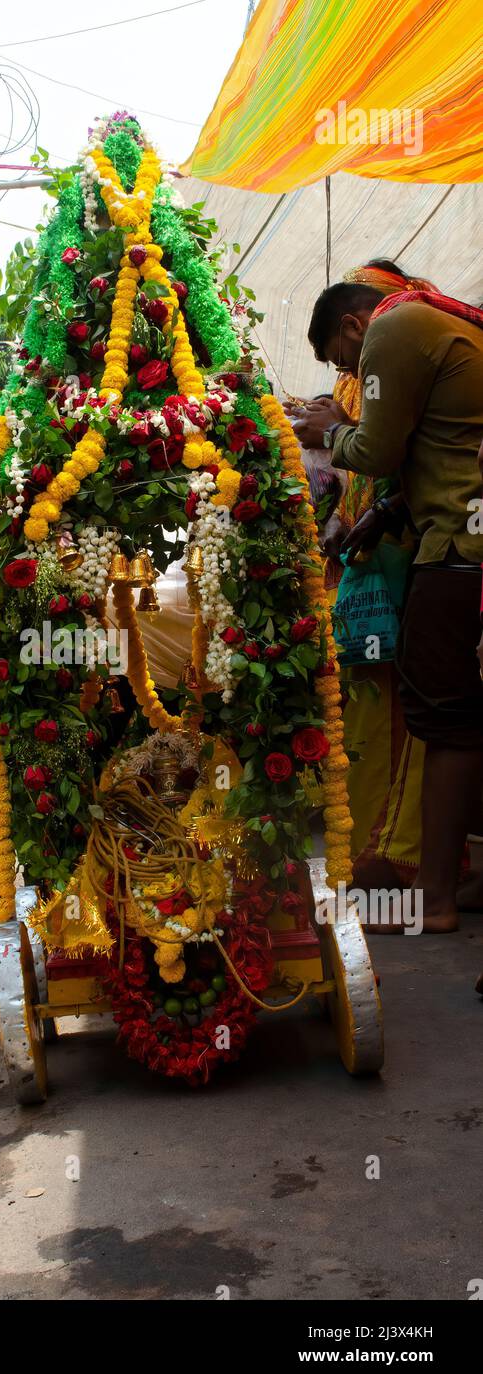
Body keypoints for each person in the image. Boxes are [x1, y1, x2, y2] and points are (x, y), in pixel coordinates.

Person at [296, 276, 483, 932]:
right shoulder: (437, 320)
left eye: (341, 362)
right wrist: (386, 510)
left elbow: (377, 449)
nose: (348, 372)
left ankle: (428, 899)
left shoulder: (390, 328)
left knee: (443, 718)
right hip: (454, 536)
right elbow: (439, 447)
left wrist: (327, 429)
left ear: (351, 327)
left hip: (459, 547)